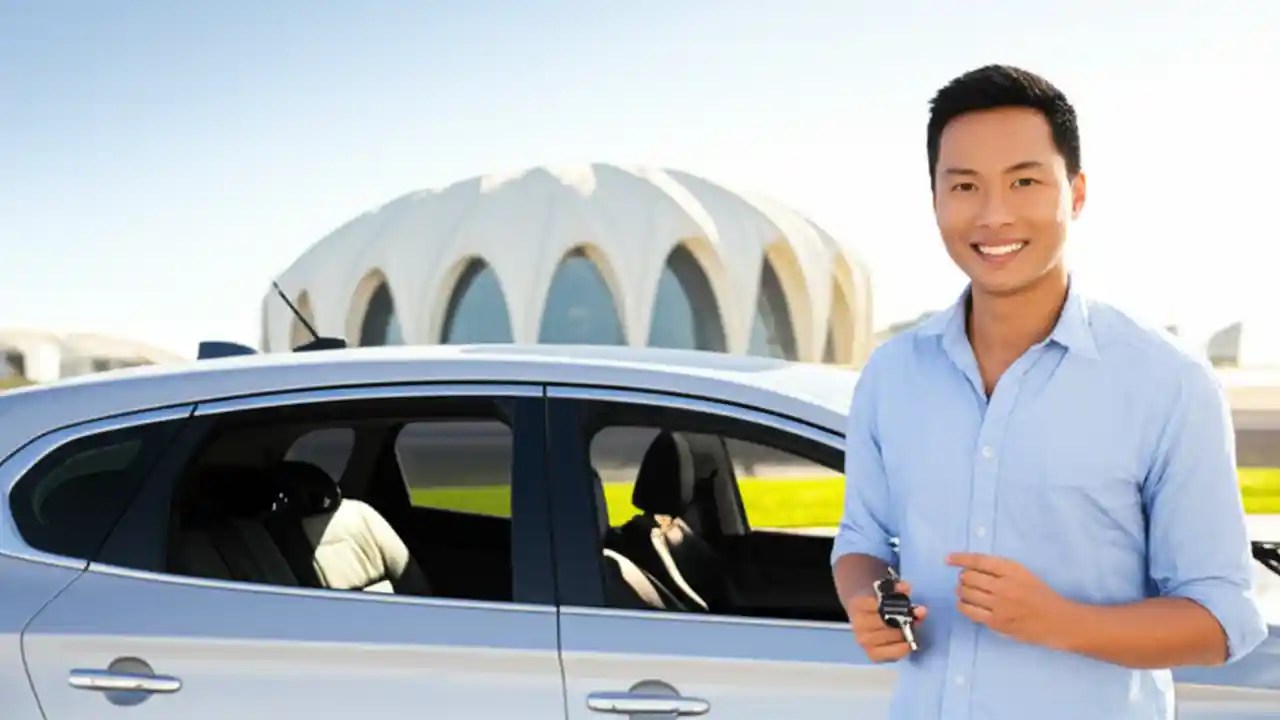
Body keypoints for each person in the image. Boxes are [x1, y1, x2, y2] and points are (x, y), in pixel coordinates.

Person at [830, 64, 1268, 719]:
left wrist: (1061, 622)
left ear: (1077, 192)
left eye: (1025, 181)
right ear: (935, 199)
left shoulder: (1168, 383)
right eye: (965, 185)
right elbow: (859, 539)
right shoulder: (892, 374)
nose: (993, 213)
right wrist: (868, 601)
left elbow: (1222, 617)